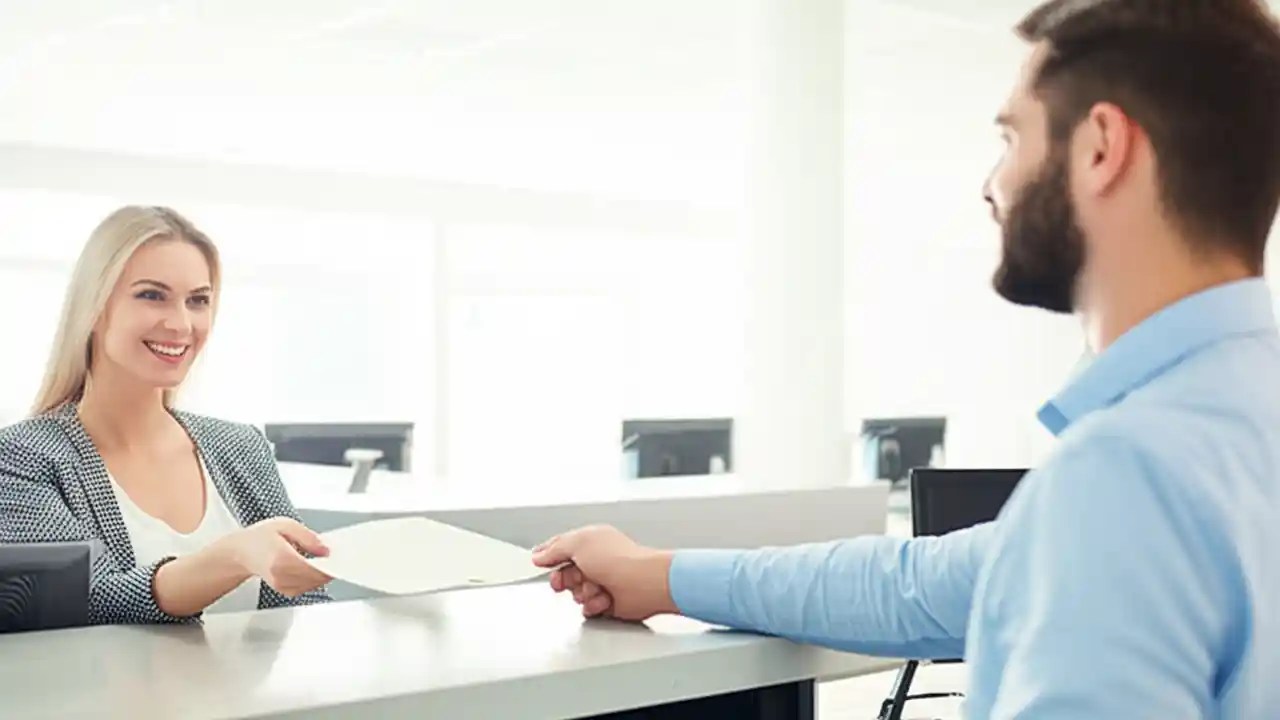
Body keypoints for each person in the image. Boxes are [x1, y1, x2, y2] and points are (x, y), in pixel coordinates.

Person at [533, 0, 1280, 716]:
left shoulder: (1124, 474)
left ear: (1100, 148)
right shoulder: (1241, 416)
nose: (993, 186)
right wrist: (659, 576)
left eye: (1012, 139)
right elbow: (927, 584)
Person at [0, 206, 332, 624]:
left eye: (198, 301)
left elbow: (306, 607)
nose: (181, 323)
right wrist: (234, 556)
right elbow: (91, 603)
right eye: (152, 295)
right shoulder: (21, 457)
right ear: (95, 308)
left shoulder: (241, 448)